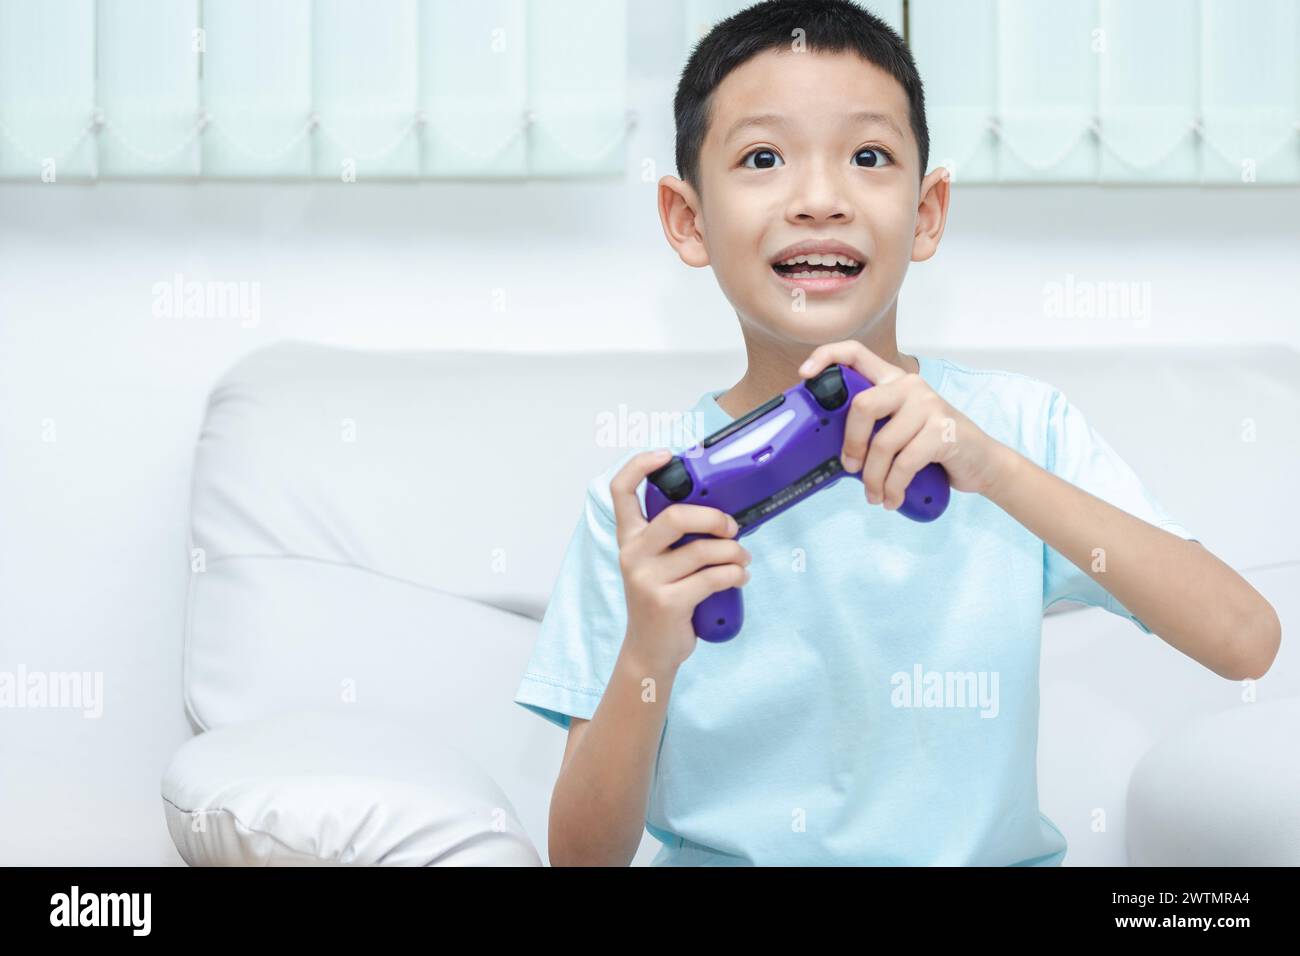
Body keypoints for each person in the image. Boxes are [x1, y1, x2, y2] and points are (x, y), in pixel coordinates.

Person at [513, 0, 1280, 866]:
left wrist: (992, 467)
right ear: (688, 220)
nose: (819, 199)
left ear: (927, 212)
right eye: (763, 158)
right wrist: (649, 650)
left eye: (868, 156)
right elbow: (580, 860)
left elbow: (1246, 642)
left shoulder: (1019, 430)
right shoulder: (645, 511)